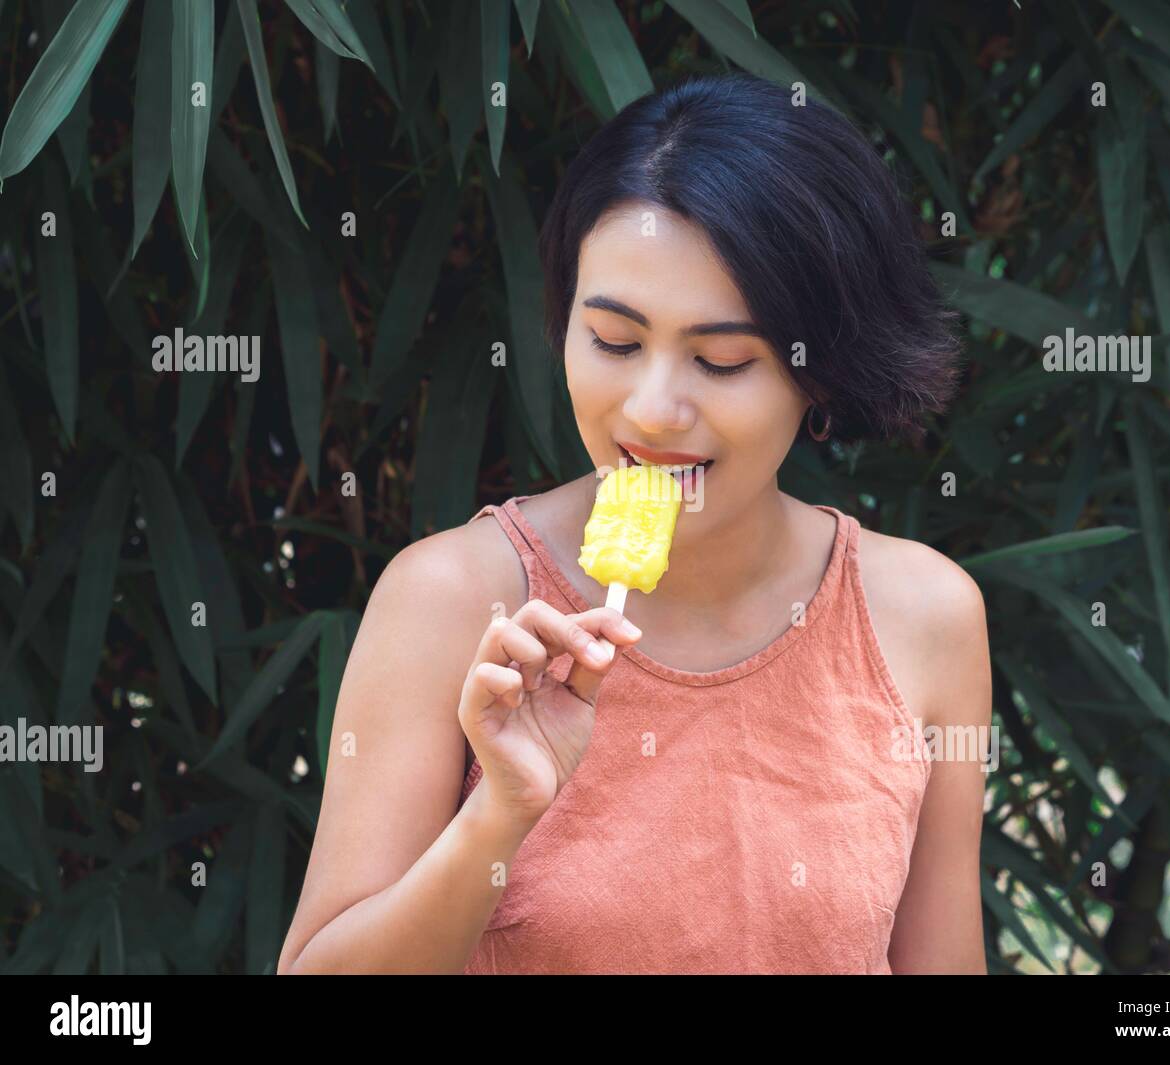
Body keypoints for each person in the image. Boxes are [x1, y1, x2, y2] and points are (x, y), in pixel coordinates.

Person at [278, 72, 990, 975]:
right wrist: (498, 814)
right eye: (614, 342)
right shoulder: (453, 601)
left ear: (823, 371)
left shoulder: (926, 617)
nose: (652, 410)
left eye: (722, 359)